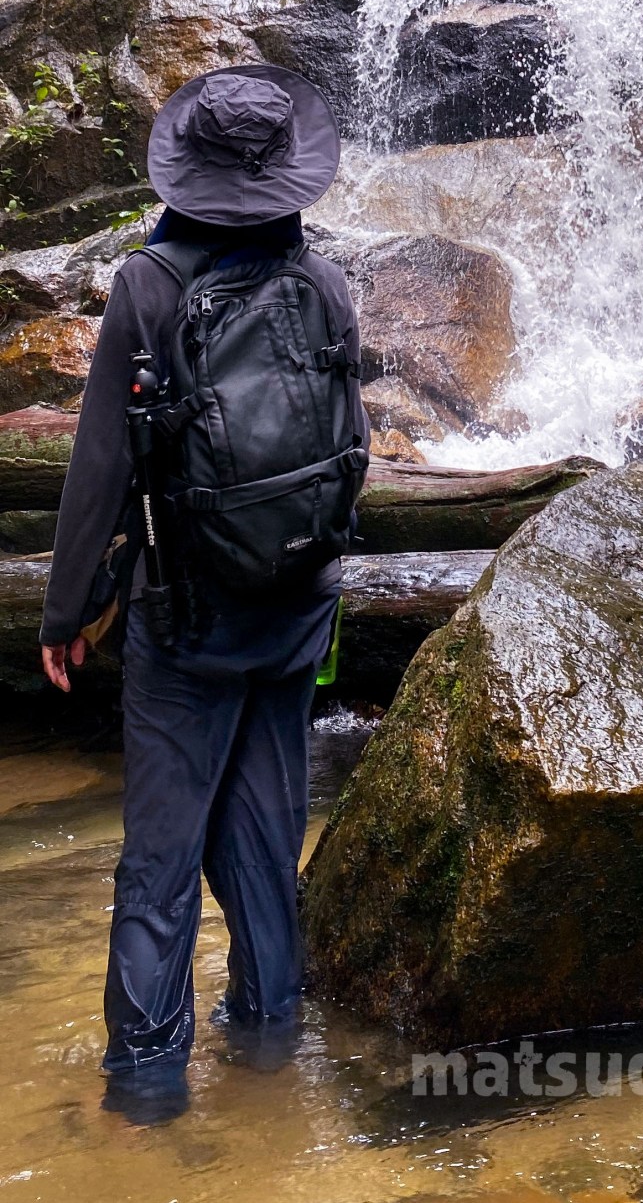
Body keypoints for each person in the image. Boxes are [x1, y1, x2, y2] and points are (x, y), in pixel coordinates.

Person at [38, 64, 368, 1116]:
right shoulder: (326, 283)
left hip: (185, 620)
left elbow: (101, 466)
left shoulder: (149, 286)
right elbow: (349, 454)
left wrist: (66, 613)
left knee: (160, 865)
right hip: (296, 608)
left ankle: (144, 1089)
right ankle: (269, 1057)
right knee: (267, 843)